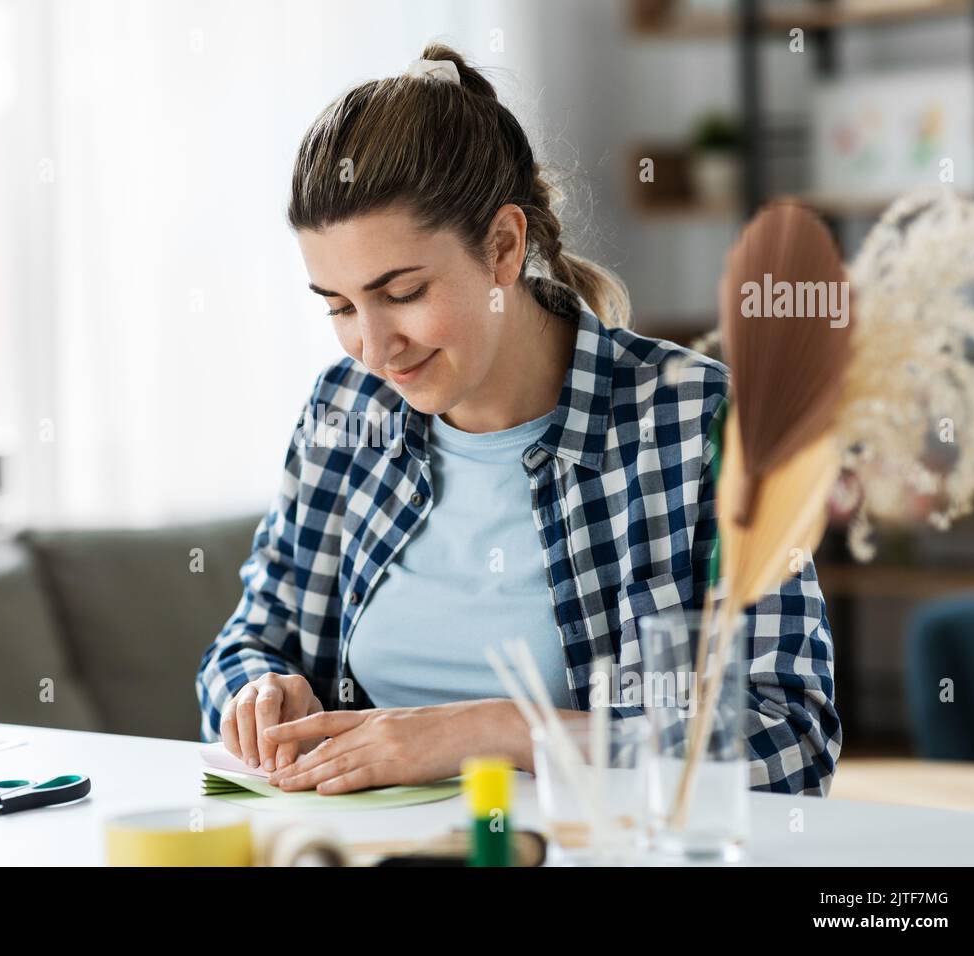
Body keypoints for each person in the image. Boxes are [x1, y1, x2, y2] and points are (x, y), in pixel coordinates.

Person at [196, 43, 840, 797]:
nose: (372, 348)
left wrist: (500, 730)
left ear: (503, 247)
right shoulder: (345, 412)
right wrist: (257, 693)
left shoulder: (696, 422)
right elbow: (246, 642)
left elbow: (790, 743)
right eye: (339, 306)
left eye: (402, 293)